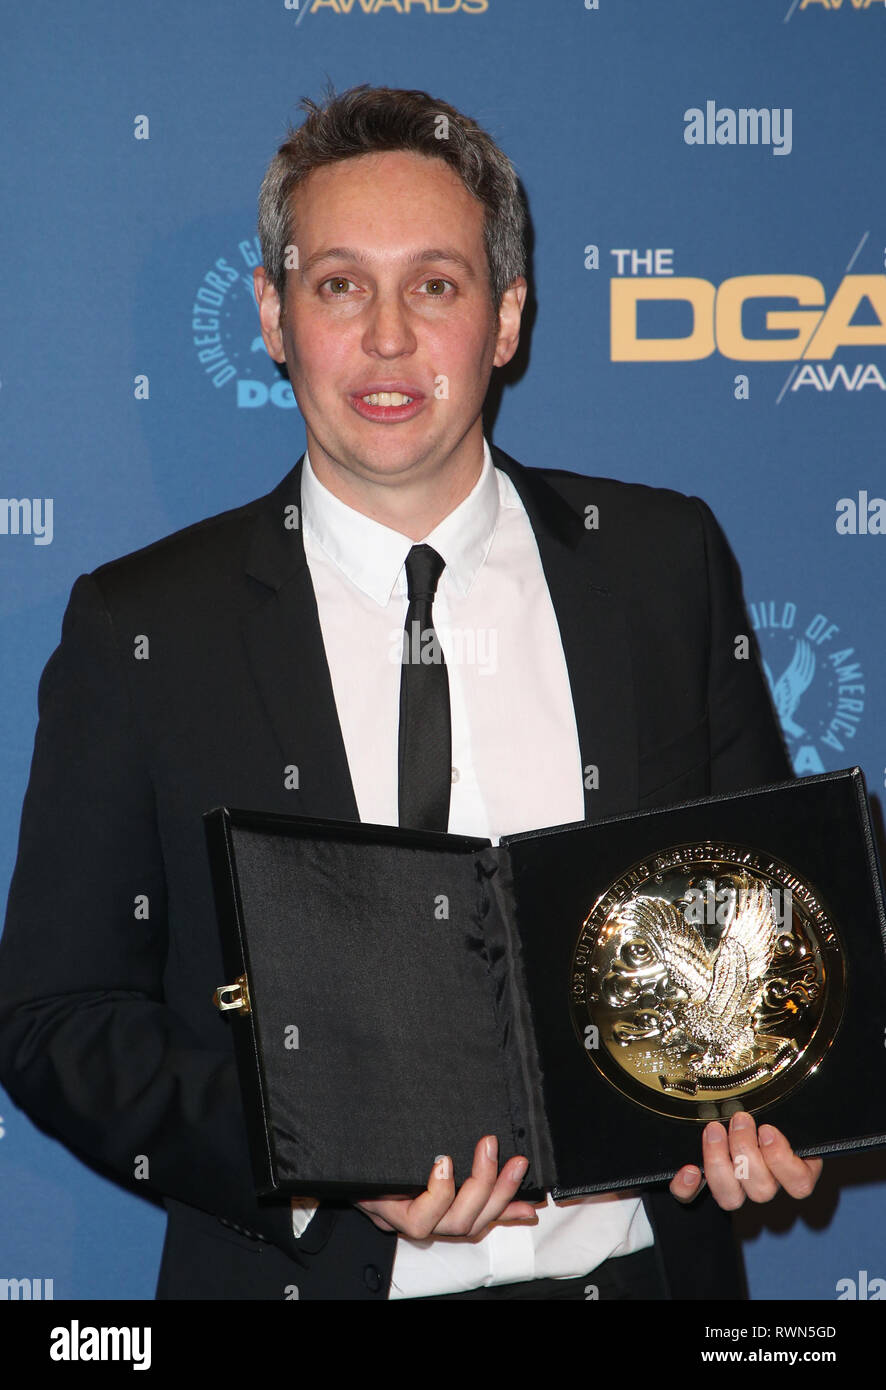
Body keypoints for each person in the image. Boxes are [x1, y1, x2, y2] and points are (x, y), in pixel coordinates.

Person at [0, 85, 820, 1302]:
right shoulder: (145, 629)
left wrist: (755, 1105)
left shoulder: (663, 568)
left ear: (506, 320)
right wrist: (311, 1155)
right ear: (274, 318)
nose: (387, 337)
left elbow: (764, 940)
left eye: (435, 284)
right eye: (338, 285)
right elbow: (56, 1015)